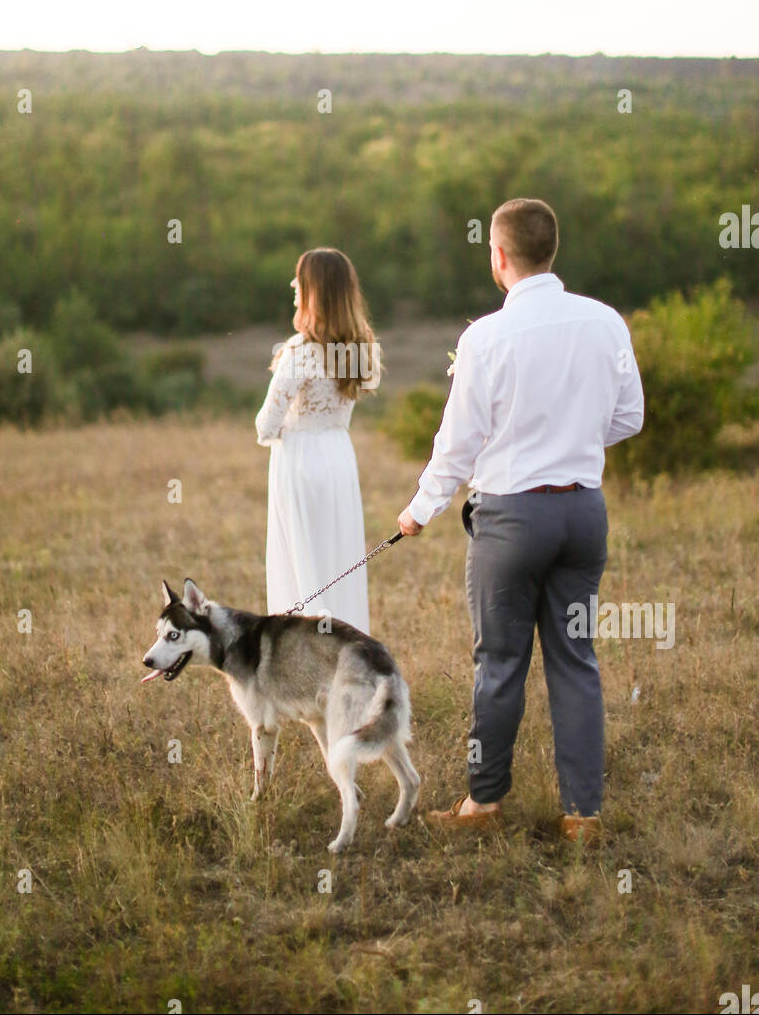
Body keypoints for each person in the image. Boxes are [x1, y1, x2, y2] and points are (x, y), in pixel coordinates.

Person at [397, 198, 644, 844]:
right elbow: (629, 417)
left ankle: (483, 803)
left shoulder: (485, 338)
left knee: (500, 662)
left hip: (511, 520)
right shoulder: (606, 322)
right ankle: (583, 815)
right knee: (576, 661)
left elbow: (457, 442)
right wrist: (574, 439)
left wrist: (420, 510)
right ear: (551, 250)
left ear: (499, 257)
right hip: (583, 515)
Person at [255, 247, 380, 632]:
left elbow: (266, 425)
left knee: (301, 563)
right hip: (339, 455)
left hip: (300, 458)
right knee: (337, 559)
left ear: (315, 291)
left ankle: (304, 660)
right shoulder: (362, 348)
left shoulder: (299, 351)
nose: (293, 285)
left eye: (300, 279)